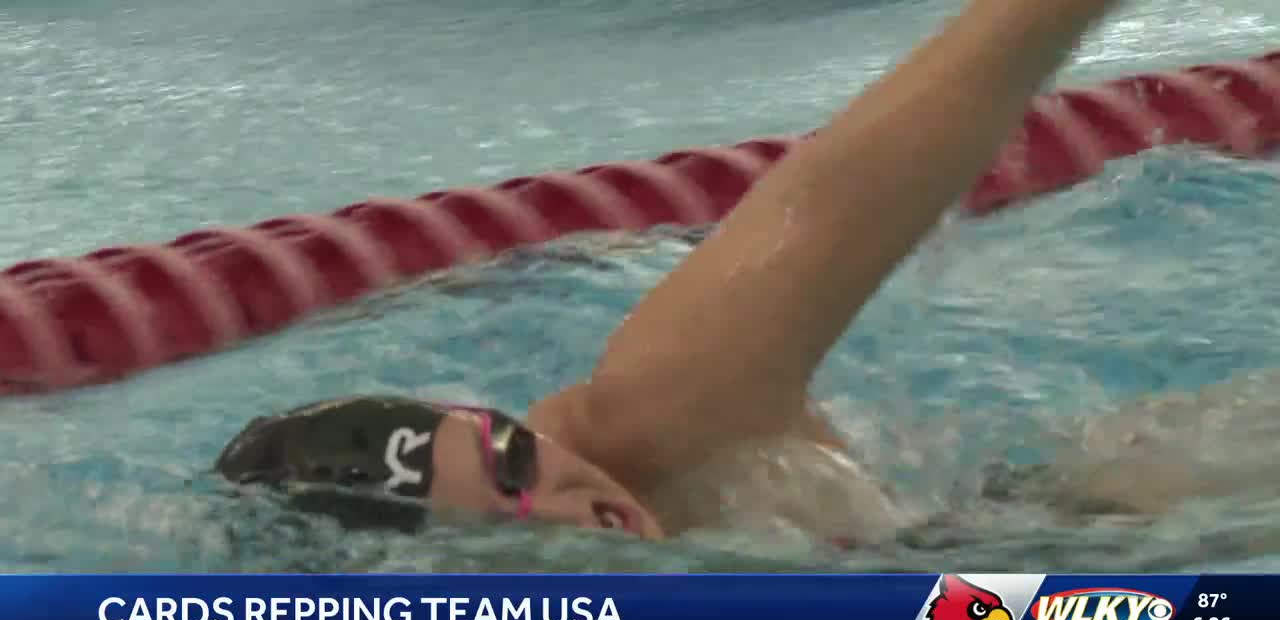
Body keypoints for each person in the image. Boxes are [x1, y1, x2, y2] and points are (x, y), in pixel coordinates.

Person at [217, 0, 1135, 544]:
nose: (568, 505)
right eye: (509, 523)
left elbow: (838, 200)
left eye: (517, 459)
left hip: (1087, 532)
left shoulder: (660, 419)